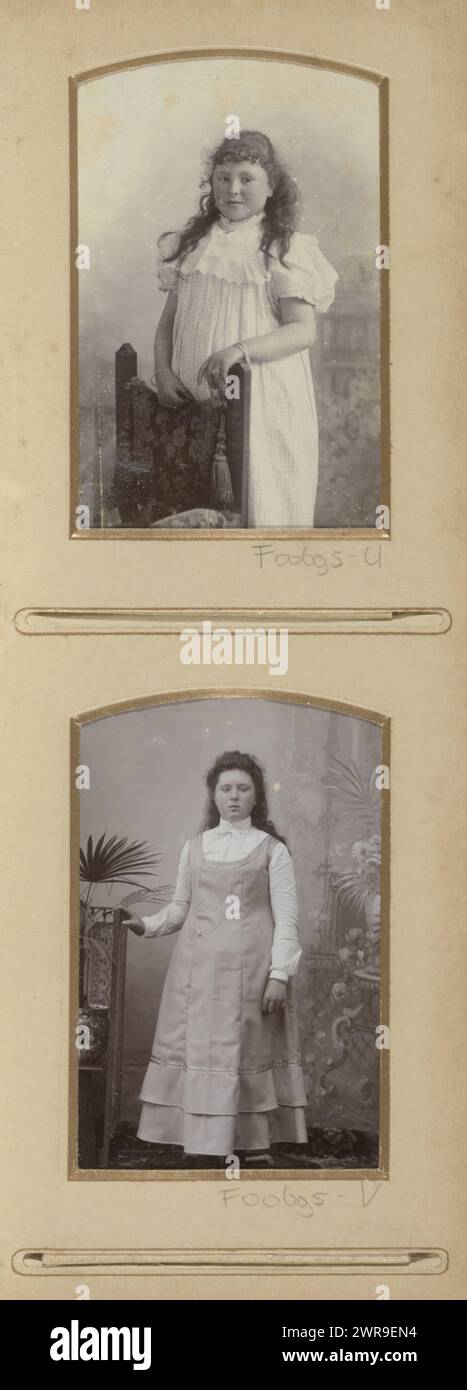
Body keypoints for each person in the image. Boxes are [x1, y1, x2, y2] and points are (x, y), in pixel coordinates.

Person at [123, 751, 308, 1158]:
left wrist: (279, 974)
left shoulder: (272, 850)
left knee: (241, 1053)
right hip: (197, 972)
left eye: (243, 788)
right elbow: (179, 908)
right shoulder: (195, 847)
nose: (234, 796)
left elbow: (288, 919)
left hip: (252, 973)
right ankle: (198, 1142)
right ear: (214, 795)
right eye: (226, 788)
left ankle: (248, 1145)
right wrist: (147, 925)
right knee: (199, 1053)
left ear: (257, 797)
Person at [153, 130, 338, 527]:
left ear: (271, 186)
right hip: (195, 408)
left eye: (246, 179)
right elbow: (167, 325)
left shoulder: (282, 248)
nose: (232, 189)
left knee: (262, 507)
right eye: (223, 178)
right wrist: (162, 371)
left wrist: (239, 349)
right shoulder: (193, 244)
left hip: (264, 404)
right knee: (199, 517)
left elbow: (302, 330)